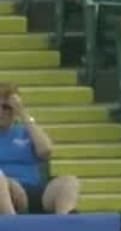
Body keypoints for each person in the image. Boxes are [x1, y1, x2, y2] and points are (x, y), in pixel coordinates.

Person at [0, 85, 78, 216]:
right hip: (4, 192)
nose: (1, 112)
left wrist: (23, 113)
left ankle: (66, 227)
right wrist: (8, 182)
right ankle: (14, 228)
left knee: (68, 182)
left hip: (33, 189)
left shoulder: (26, 132)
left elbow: (46, 151)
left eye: (6, 107)